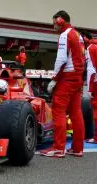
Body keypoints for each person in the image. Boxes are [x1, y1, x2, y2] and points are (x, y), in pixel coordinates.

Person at [40, 10, 85, 157]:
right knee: (76, 113)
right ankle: (78, 148)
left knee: (58, 111)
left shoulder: (65, 35)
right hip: (77, 79)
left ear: (61, 21)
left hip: (67, 78)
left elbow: (61, 59)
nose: (53, 27)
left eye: (54, 23)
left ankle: (58, 148)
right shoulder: (78, 35)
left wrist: (54, 79)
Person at [81, 31, 97, 143]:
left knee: (96, 111)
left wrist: (90, 88)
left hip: (95, 83)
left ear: (85, 38)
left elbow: (91, 70)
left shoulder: (91, 48)